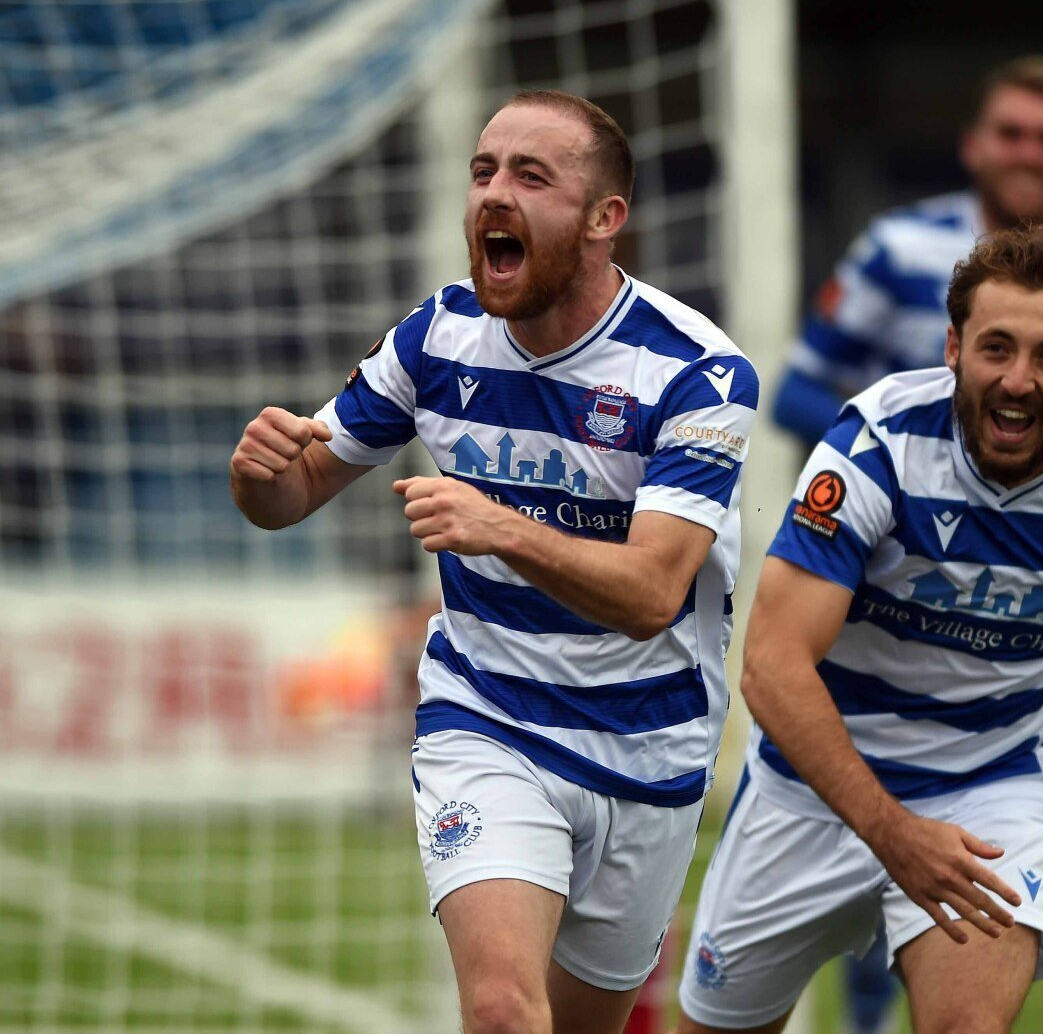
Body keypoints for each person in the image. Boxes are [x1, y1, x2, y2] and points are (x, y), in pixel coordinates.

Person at [230, 89, 758, 1034]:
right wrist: (257, 475)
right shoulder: (436, 335)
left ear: (603, 218)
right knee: (504, 1013)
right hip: (488, 718)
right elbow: (293, 493)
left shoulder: (696, 374)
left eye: (530, 175)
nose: (493, 194)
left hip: (651, 746)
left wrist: (501, 526)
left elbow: (650, 595)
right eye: (482, 172)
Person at [675, 224, 1043, 1034]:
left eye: (1042, 356)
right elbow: (771, 666)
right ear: (952, 348)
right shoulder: (878, 442)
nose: (1019, 380)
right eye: (996, 348)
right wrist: (893, 833)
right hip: (811, 787)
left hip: (987, 783)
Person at [775, 56, 1043, 450]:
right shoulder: (900, 247)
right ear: (971, 146)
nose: (1029, 155)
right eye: (1010, 134)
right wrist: (893, 458)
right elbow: (795, 395)